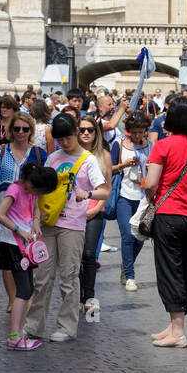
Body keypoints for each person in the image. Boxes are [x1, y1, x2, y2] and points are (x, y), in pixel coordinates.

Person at [24, 114, 109, 343]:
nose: (65, 143)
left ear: (76, 132)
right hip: (49, 222)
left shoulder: (88, 160)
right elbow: (39, 191)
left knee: (69, 277)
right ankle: (33, 326)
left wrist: (88, 194)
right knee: (42, 277)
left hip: (73, 224)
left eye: (69, 137)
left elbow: (104, 190)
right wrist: (35, 219)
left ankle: (67, 326)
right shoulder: (52, 158)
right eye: (60, 139)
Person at [143, 97, 187, 349]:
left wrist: (152, 197)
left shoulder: (162, 145)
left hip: (168, 213)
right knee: (184, 269)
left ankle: (178, 330)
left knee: (168, 269)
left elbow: (151, 183)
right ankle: (174, 324)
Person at [0, 110, 47, 310]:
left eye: (25, 129)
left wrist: (38, 218)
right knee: (9, 257)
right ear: (11, 130)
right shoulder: (0, 151)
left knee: (29, 253)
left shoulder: (38, 153)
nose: (21, 132)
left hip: (28, 210)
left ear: (30, 130)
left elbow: (43, 188)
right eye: (17, 128)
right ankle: (13, 300)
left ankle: (25, 297)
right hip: (5, 208)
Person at [0, 162, 58, 349]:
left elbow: (36, 207)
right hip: (14, 246)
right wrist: (19, 230)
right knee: (23, 291)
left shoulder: (30, 192)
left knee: (27, 289)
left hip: (24, 247)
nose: (38, 194)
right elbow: (0, 214)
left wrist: (36, 223)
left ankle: (19, 333)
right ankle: (15, 337)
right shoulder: (15, 189)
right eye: (38, 190)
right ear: (30, 182)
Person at [109, 112, 151, 292]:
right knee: (127, 235)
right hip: (124, 196)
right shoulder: (118, 145)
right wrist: (123, 165)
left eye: (141, 132)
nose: (138, 136)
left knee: (140, 236)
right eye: (134, 132)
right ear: (128, 131)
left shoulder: (150, 146)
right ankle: (130, 276)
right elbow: (108, 169)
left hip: (144, 197)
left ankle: (126, 266)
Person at [77, 116, 112, 316]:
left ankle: (89, 298)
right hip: (73, 211)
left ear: (96, 133)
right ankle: (75, 297)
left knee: (89, 254)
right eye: (82, 130)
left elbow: (107, 187)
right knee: (74, 257)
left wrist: (96, 208)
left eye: (90, 130)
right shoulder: (70, 154)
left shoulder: (104, 155)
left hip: (95, 209)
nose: (86, 133)